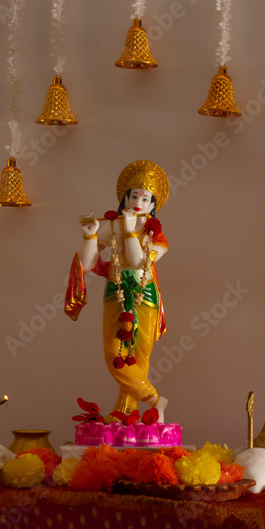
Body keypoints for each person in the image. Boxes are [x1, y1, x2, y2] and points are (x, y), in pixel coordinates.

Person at [65, 160, 171, 422]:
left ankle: (126, 411)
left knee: (138, 355)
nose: (138, 200)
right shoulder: (111, 227)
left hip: (143, 297)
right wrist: (90, 236)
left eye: (145, 198)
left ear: (152, 206)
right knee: (115, 354)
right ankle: (157, 400)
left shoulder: (155, 236)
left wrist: (128, 227)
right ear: (124, 199)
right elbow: (87, 264)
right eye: (133, 195)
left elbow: (137, 262)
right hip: (115, 293)